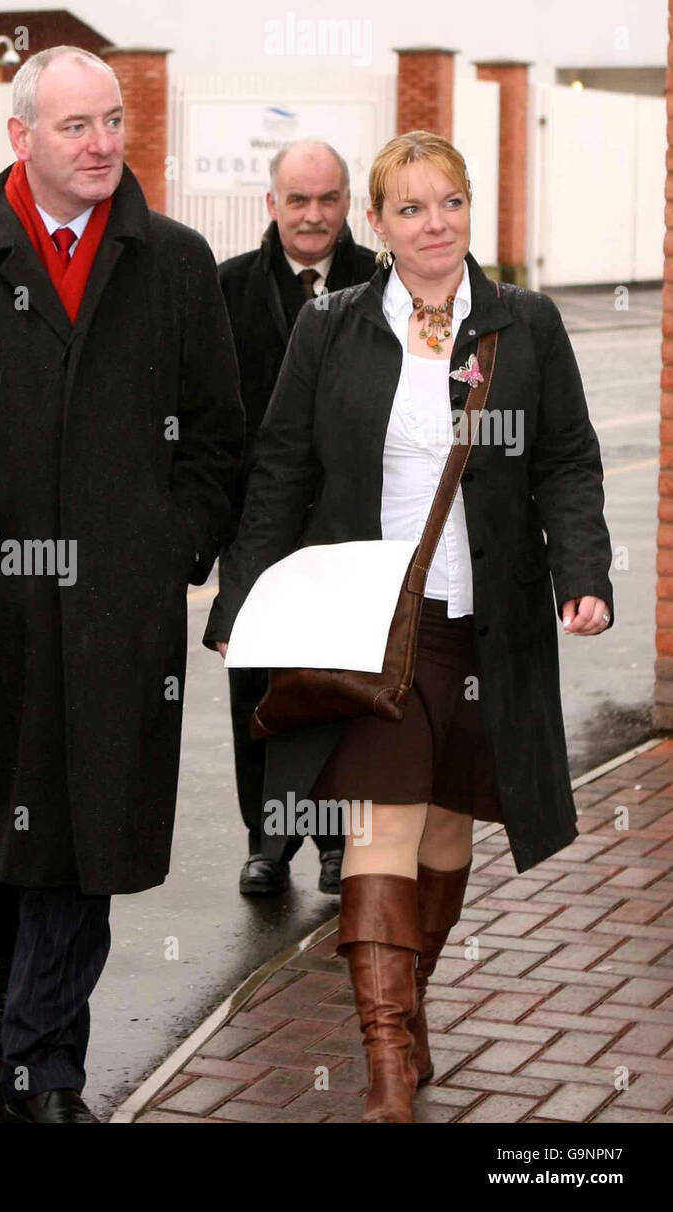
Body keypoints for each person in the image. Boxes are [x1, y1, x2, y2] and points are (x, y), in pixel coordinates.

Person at [210, 129, 613, 1123]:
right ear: (377, 225)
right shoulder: (334, 327)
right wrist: (240, 598)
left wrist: (582, 570)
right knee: (380, 826)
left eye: (449, 203)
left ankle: (410, 1008)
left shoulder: (524, 326)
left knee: (442, 833)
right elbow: (282, 468)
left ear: (469, 211)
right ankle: (387, 1070)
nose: (433, 224)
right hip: (371, 626)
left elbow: (565, 455)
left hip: (482, 629)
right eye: (410, 208)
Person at [0, 45, 244, 1124]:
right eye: (76, 126)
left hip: (114, 620)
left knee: (81, 838)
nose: (100, 145)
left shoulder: (173, 263)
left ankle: (49, 1065)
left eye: (112, 122)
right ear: (20, 137)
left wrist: (158, 555)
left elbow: (217, 442)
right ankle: (3, 978)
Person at [203, 139, 377, 898]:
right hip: (261, 529)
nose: (313, 216)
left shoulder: (383, 280)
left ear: (347, 204)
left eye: (327, 199)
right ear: (270, 204)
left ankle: (339, 844)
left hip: (355, 531)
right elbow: (204, 415)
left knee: (344, 689)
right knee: (261, 693)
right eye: (297, 200)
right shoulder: (226, 289)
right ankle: (268, 841)